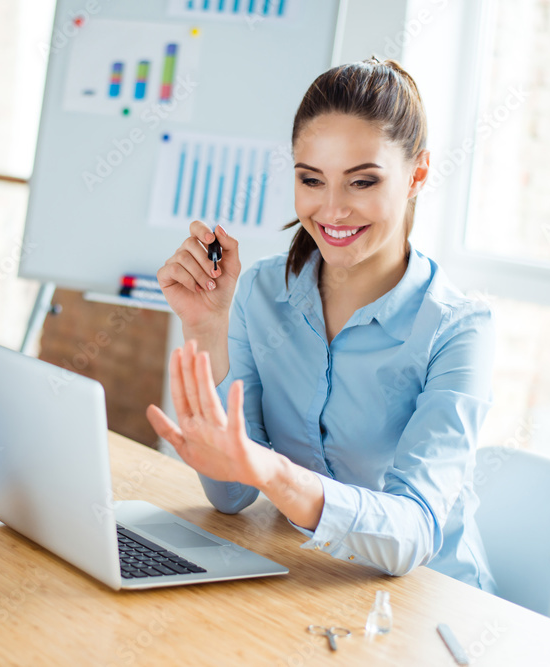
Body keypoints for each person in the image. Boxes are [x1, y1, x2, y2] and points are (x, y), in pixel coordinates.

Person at [145, 57, 497, 592]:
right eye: (312, 179)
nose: (332, 211)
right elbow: (231, 496)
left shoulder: (457, 330)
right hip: (314, 580)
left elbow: (415, 530)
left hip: (431, 598)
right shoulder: (261, 292)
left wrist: (275, 474)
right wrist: (207, 331)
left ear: (417, 174)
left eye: (362, 182)